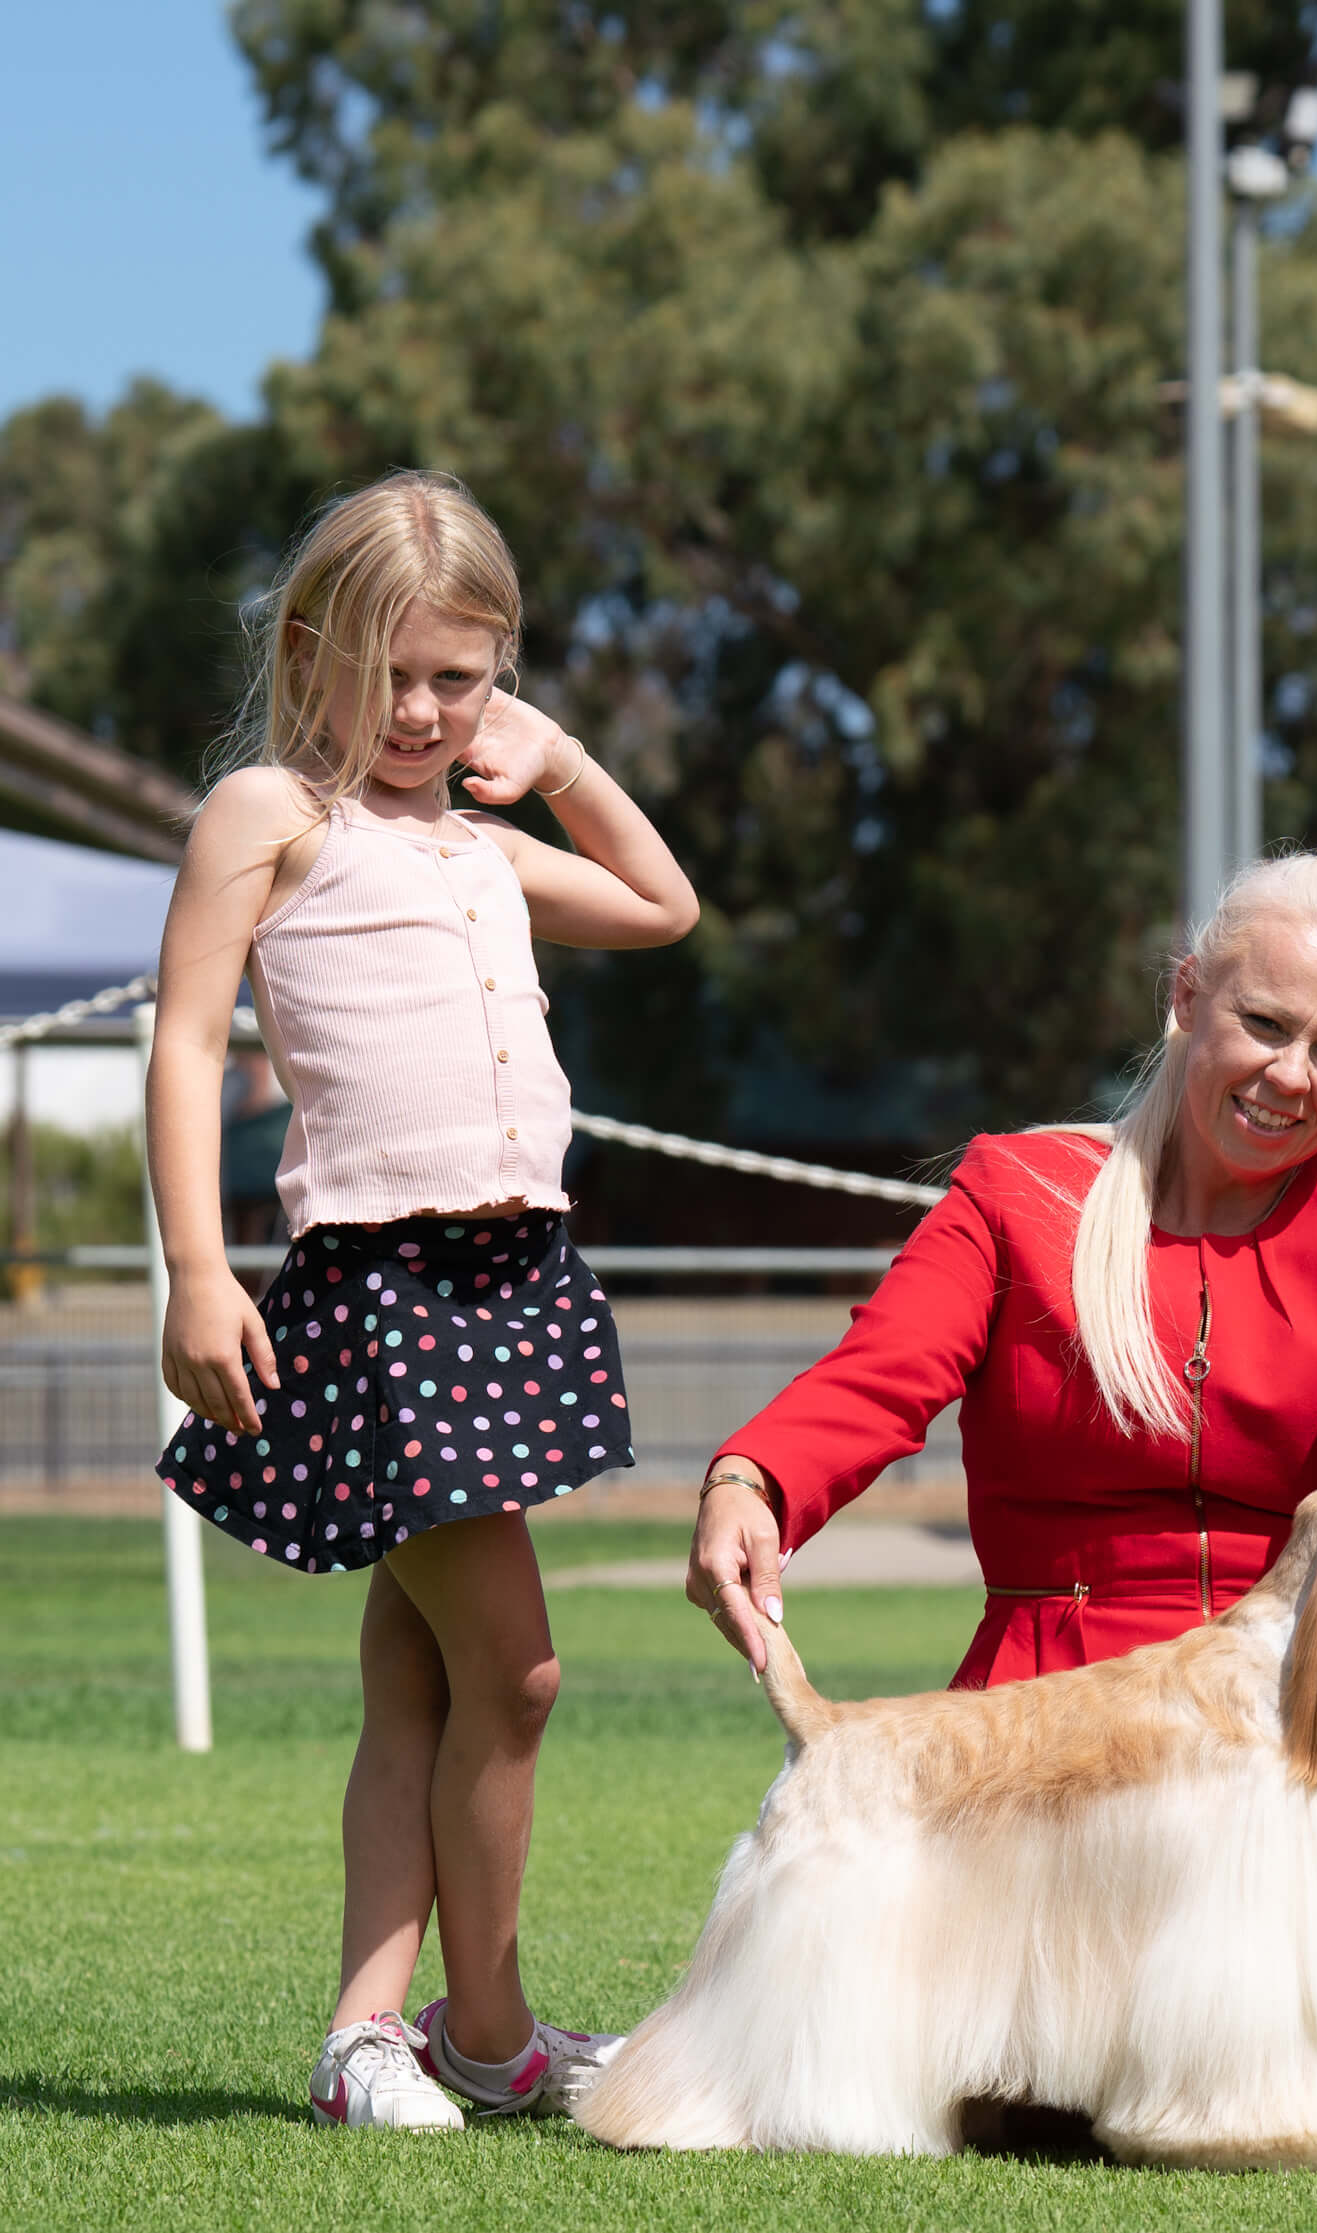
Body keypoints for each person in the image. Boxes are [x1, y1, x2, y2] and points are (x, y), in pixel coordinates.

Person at [150, 470, 700, 2130]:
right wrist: (194, 1265)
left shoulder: (480, 846)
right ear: (311, 651)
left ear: (498, 674)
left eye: (456, 676)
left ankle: (372, 2029)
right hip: (381, 1288)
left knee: (426, 1675)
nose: (417, 709)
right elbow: (182, 1042)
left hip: (511, 1276)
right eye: (386, 671)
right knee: (515, 1674)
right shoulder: (270, 813)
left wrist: (565, 759)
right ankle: (489, 2027)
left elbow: (665, 904)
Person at [688, 846, 1317, 1784]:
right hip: (1047, 1731)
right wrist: (753, 1478)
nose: (1291, 1075)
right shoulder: (1017, 1190)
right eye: (1263, 1022)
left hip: (1304, 1711)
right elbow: (881, 1372)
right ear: (1187, 996)